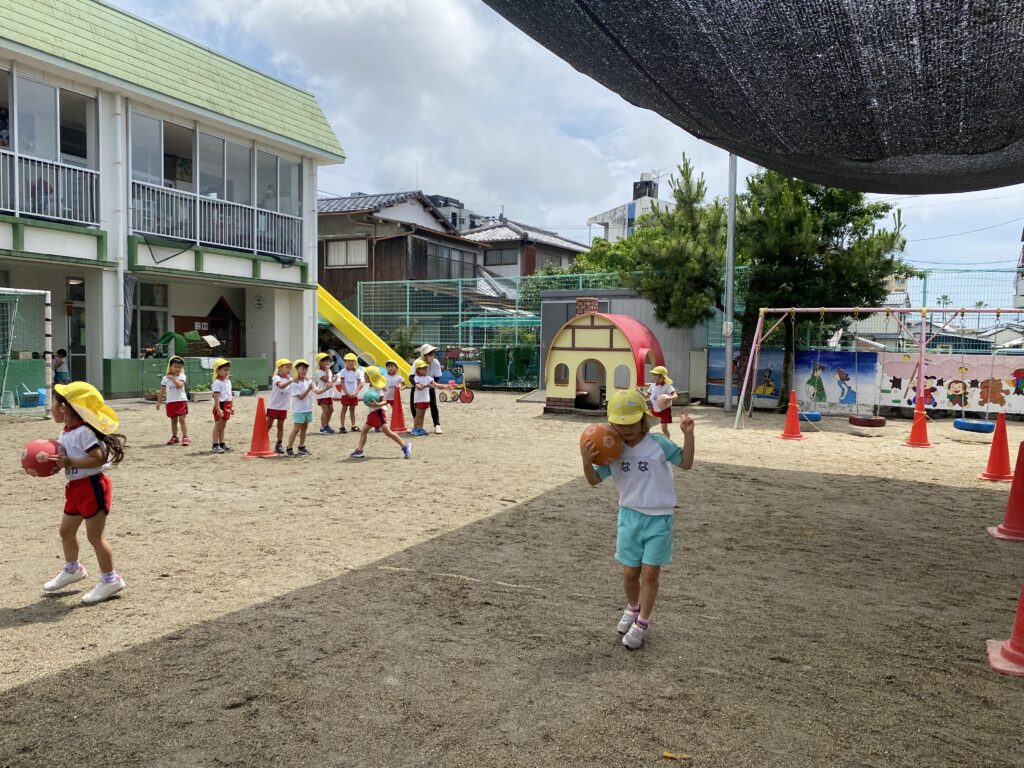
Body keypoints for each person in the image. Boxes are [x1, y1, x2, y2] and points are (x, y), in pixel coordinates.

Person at [580, 390, 695, 650]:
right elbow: (594, 480)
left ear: (643, 420)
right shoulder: (612, 449)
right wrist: (586, 462)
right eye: (619, 424)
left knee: (650, 572)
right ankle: (633, 609)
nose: (626, 428)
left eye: (631, 423)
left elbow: (686, 463)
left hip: (659, 518)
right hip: (629, 517)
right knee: (630, 572)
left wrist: (689, 436)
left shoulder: (658, 444)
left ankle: (643, 622)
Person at [42, 382, 127, 605]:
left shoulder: (83, 431)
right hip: (76, 488)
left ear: (64, 407)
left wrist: (70, 461)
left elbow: (97, 457)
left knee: (94, 537)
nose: (50, 407)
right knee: (66, 531)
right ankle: (73, 569)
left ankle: (111, 580)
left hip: (93, 487)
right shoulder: (67, 431)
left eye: (53, 402)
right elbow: (63, 457)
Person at [350, 366, 412, 459]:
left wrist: (377, 404)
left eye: (366, 374)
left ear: (370, 377)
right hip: (372, 414)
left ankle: (405, 446)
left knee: (388, 432)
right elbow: (368, 398)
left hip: (378, 413)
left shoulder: (377, 389)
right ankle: (359, 450)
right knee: (363, 431)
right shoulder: (370, 386)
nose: (364, 376)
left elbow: (385, 401)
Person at [157, 355, 189, 446]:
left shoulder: (182, 376)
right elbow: (162, 391)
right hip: (170, 402)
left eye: (180, 367)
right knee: (173, 421)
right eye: (175, 367)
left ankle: (185, 437)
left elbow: (179, 385)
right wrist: (159, 402)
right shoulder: (165, 379)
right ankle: (174, 437)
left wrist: (173, 378)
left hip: (181, 401)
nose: (177, 369)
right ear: (170, 366)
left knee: (182, 420)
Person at [412, 344, 444, 434]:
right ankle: (416, 427)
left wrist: (434, 385)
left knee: (433, 404)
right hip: (417, 385)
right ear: (424, 355)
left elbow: (437, 377)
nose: (432, 355)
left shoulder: (435, 362)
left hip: (429, 384)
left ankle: (437, 425)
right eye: (430, 353)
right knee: (416, 408)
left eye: (433, 353)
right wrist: (416, 385)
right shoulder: (417, 362)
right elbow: (411, 376)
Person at [286, 359, 315, 457]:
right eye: (302, 368)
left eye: (305, 368)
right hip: (299, 409)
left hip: (308, 408)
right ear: (296, 369)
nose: (304, 370)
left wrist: (327, 387)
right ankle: (289, 448)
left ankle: (301, 447)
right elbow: (301, 397)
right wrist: (309, 388)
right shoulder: (294, 383)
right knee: (296, 429)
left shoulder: (308, 381)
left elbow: (318, 391)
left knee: (304, 428)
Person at [266, 358, 293, 455]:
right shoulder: (276, 377)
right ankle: (262, 441)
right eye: (287, 367)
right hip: (274, 406)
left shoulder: (290, 379)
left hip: (283, 407)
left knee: (280, 426)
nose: (289, 369)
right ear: (280, 368)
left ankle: (279, 444)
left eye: (290, 368)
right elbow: (281, 386)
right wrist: (292, 381)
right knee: (268, 425)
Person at [645, 365, 678, 438]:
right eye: (652, 375)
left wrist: (669, 398)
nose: (653, 377)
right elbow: (646, 397)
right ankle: (646, 441)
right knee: (646, 426)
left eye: (655, 375)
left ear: (662, 376)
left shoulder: (667, 386)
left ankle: (668, 442)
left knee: (664, 429)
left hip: (665, 410)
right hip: (655, 409)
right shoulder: (652, 386)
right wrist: (639, 392)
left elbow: (675, 396)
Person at [211, 358, 233, 454]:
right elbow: (216, 397)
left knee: (223, 426)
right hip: (220, 404)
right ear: (217, 371)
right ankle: (215, 445)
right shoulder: (217, 383)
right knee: (218, 426)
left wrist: (232, 406)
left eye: (228, 370)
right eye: (224, 370)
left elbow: (229, 394)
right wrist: (218, 409)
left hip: (227, 404)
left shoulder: (228, 381)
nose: (226, 372)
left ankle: (222, 443)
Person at [338, 352, 364, 433]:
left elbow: (360, 383)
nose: (350, 363)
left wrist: (355, 392)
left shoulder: (358, 372)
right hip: (345, 394)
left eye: (352, 361)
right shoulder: (343, 371)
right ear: (345, 362)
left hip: (354, 394)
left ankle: (353, 425)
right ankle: (342, 426)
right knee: (344, 409)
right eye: (348, 361)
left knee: (352, 410)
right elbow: (342, 383)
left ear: (355, 362)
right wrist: (346, 393)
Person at [314, 352, 336, 434]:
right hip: (322, 393)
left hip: (329, 393)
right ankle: (323, 427)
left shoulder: (329, 370)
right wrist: (327, 371)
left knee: (331, 410)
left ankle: (326, 425)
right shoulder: (318, 372)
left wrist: (334, 379)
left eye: (328, 360)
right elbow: (326, 379)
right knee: (325, 410)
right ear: (320, 362)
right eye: (324, 361)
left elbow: (330, 381)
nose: (327, 362)